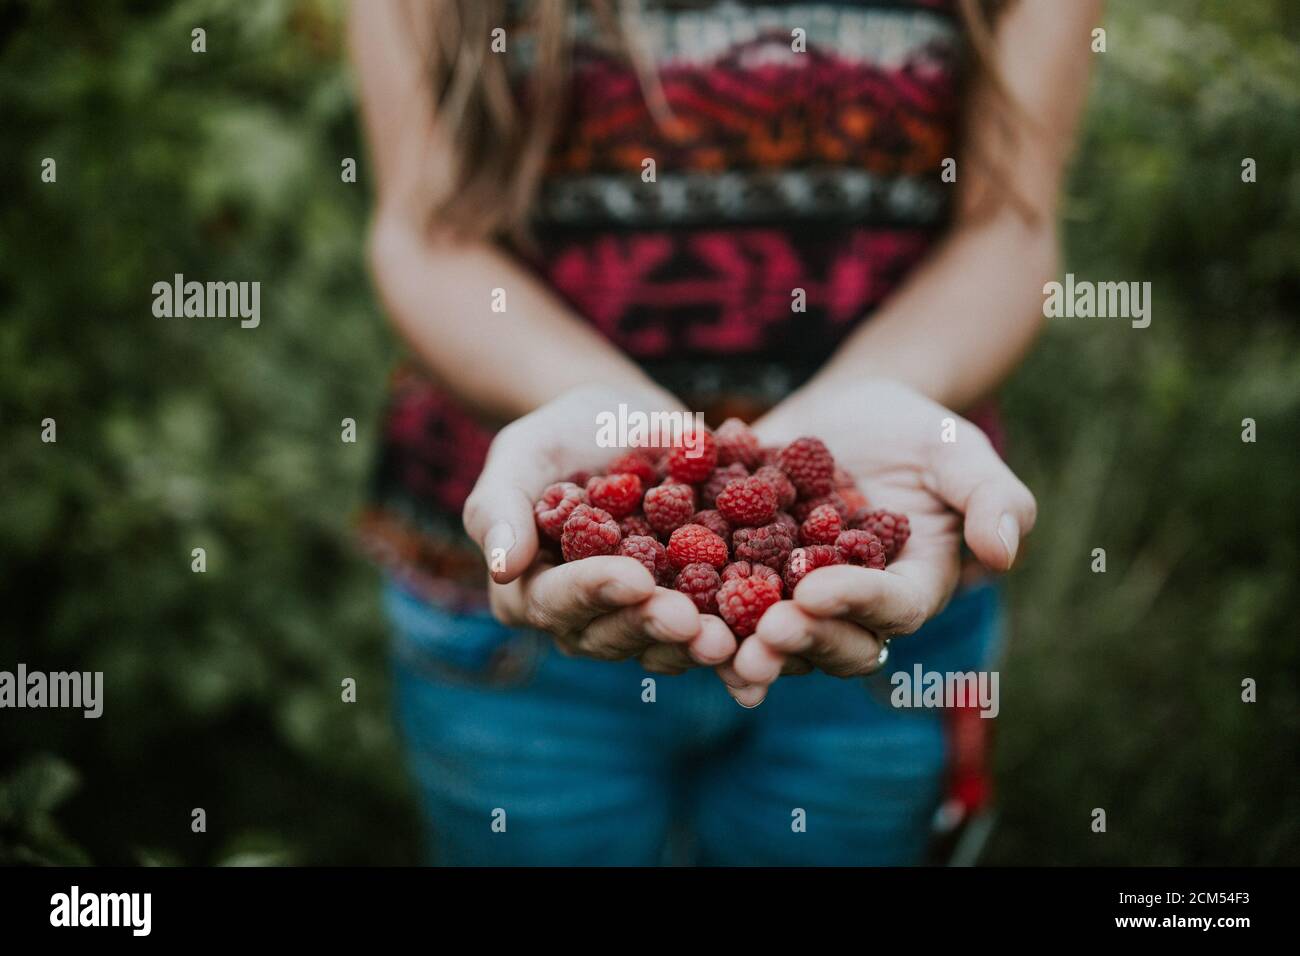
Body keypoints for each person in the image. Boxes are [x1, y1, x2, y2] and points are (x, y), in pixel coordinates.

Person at [349, 0, 1097, 865]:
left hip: (891, 631)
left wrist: (877, 394)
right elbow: (425, 234)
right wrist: (613, 415)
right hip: (500, 629)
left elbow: (1009, 224)